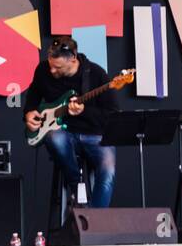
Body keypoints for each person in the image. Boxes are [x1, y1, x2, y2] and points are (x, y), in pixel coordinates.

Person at [23, 35, 118, 209]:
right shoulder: (43, 70)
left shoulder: (96, 74)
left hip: (94, 134)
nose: (52, 71)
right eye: (51, 65)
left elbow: (112, 115)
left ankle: (95, 221)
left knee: (108, 169)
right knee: (54, 138)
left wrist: (85, 111)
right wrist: (28, 112)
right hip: (64, 134)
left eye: (58, 67)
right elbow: (33, 95)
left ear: (73, 59)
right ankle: (76, 186)